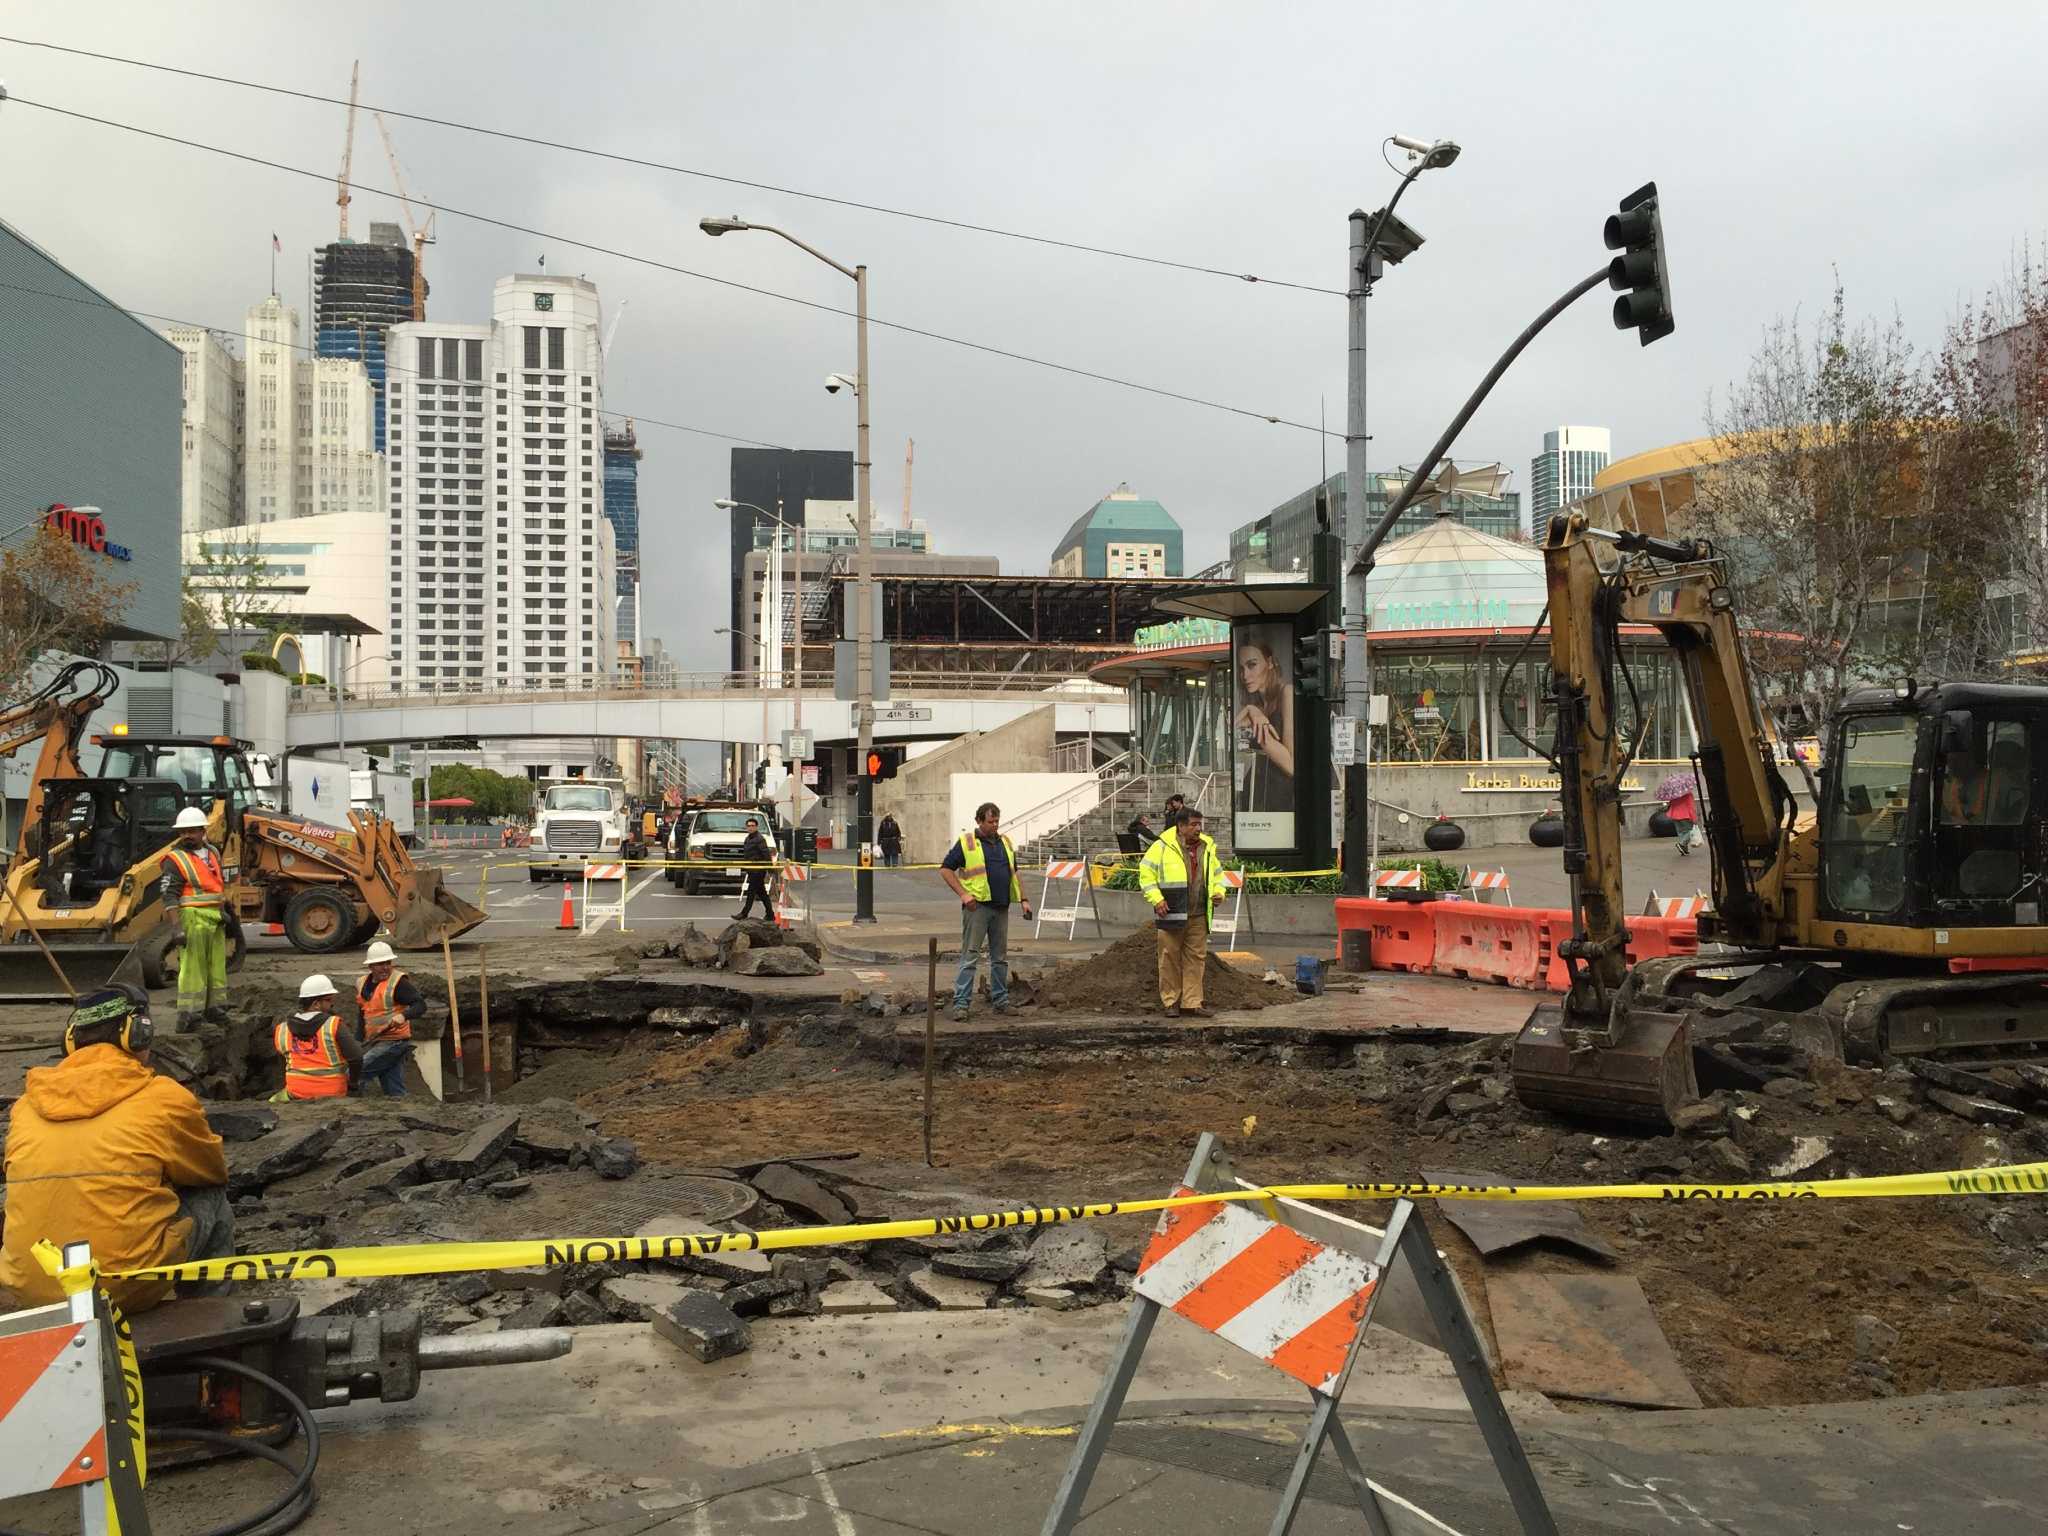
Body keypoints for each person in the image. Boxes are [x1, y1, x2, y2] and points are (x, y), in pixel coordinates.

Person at [0, 984, 232, 1313]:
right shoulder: (164, 1097)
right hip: (123, 1289)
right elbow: (211, 1170)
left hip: (31, 1290)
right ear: (137, 1035)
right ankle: (208, 1318)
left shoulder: (25, 1106)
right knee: (212, 1196)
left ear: (70, 1041)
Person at [940, 802, 1033, 1022]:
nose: (995, 825)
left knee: (999, 958)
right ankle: (961, 1004)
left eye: (997, 821)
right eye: (990, 821)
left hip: (1001, 907)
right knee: (970, 956)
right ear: (979, 821)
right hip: (978, 908)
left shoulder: (1005, 842)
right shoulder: (967, 843)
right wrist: (964, 894)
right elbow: (945, 870)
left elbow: (1015, 872)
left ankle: (1000, 1001)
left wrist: (1024, 899)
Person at [1140, 807, 1228, 1019]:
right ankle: (1171, 1002)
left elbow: (1218, 875)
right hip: (1171, 912)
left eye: (1199, 824)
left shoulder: (1206, 847)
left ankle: (1192, 1002)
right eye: (1193, 824)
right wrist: (1157, 899)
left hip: (1198, 914)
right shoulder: (1161, 846)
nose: (1198, 828)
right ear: (1180, 826)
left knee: (1196, 959)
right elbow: (1146, 874)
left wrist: (1219, 892)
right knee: (1169, 957)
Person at [160, 804, 230, 1027]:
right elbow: (169, 895)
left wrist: (224, 912)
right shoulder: (175, 859)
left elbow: (218, 886)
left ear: (203, 830)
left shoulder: (213, 853)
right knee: (193, 968)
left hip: (214, 918)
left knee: (216, 965)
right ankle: (189, 1014)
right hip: (192, 917)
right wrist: (176, 927)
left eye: (192, 831)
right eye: (183, 832)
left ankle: (214, 1008)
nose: (187, 835)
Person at [354, 940, 431, 1098]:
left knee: (356, 1073)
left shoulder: (398, 983)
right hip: (376, 1040)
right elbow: (362, 1013)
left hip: (394, 1042)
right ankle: (401, 1111)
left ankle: (349, 1106)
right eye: (380, 964)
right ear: (370, 966)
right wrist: (358, 1040)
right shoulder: (362, 984)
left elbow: (420, 1005)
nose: (385, 967)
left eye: (388, 962)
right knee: (393, 1089)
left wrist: (403, 1015)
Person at [1234, 636, 1297, 812]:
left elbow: (1291, 765)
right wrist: (1251, 709)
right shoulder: (1256, 705)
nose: (1245, 675)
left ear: (1269, 663)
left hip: (1281, 801)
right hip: (1256, 796)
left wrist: (1255, 718)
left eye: (1252, 665)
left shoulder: (1287, 693)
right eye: (1241, 668)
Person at [274, 975, 361, 1101]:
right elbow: (356, 1057)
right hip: (332, 1094)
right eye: (328, 1000)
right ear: (315, 1004)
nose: (332, 1004)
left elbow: (284, 1058)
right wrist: (353, 1085)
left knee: (274, 1101)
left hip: (296, 1093)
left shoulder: (282, 1029)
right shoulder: (333, 1025)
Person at [735, 816, 775, 920]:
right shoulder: (748, 838)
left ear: (756, 827)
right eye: (748, 826)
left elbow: (766, 854)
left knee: (751, 892)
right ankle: (770, 914)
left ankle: (744, 913)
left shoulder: (759, 839)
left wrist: (770, 869)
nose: (750, 828)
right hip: (751, 869)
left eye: (752, 826)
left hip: (758, 870)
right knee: (762, 893)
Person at [1666, 784, 1701, 856]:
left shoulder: (1674, 794)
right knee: (1691, 831)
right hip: (1685, 815)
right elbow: (1691, 807)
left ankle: (1684, 850)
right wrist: (1694, 818)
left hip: (1674, 815)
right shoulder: (1688, 794)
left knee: (1681, 833)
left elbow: (1671, 804)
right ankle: (1681, 844)